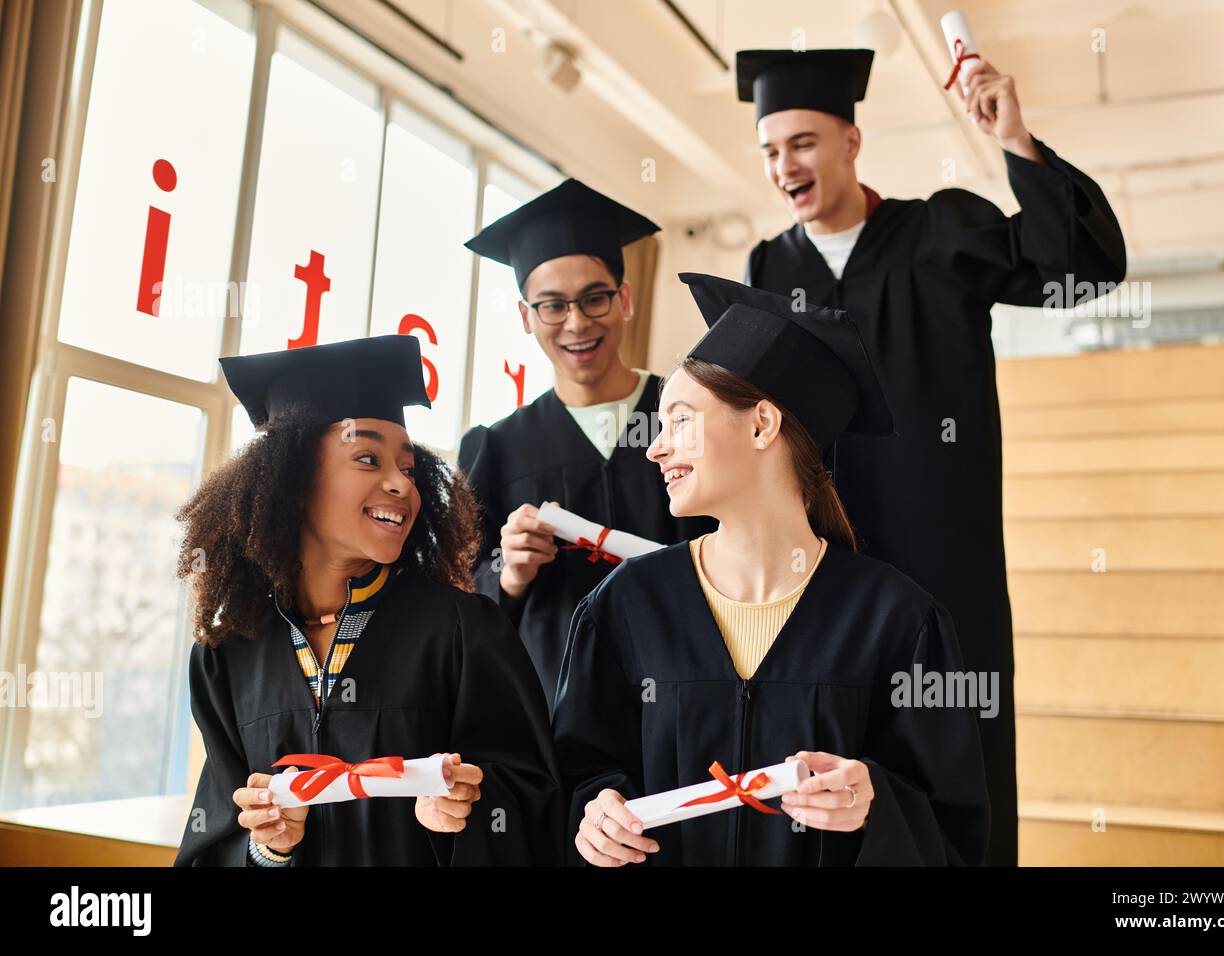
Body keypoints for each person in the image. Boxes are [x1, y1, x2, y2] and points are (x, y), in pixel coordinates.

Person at [736, 47, 1127, 865]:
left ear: (850, 141)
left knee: (958, 757)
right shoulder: (769, 267)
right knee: (826, 769)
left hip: (943, 563)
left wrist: (1015, 141)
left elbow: (1081, 270)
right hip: (821, 568)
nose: (785, 167)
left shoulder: (940, 232)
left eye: (803, 143)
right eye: (771, 151)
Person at [552, 274, 989, 867]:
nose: (655, 448)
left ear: (762, 424)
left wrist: (875, 805)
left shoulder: (898, 623)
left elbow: (952, 830)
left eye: (680, 420)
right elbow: (578, 777)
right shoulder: (625, 606)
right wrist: (594, 817)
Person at [174, 335, 561, 866]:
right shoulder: (228, 652)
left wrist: (463, 816)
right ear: (291, 482)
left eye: (407, 466)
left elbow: (535, 801)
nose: (401, 484)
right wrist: (266, 849)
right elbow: (213, 839)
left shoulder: (463, 632)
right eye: (367, 457)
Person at [459, 179, 713, 711]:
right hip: (558, 707)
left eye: (594, 298)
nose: (576, 323)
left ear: (624, 299)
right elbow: (465, 598)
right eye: (552, 305)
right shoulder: (499, 447)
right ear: (527, 318)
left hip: (690, 690)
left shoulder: (692, 416)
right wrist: (508, 574)